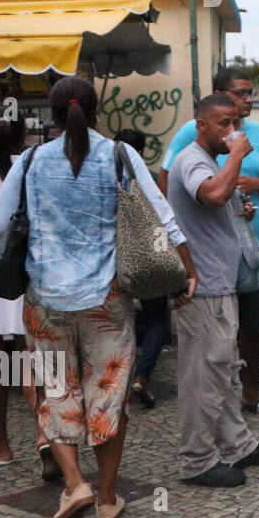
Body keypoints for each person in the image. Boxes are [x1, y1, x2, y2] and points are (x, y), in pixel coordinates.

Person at [0, 77, 197, 518]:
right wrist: (187, 271)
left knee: (55, 392)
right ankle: (105, 499)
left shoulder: (30, 162)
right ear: (96, 110)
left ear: (54, 115)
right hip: (107, 300)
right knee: (108, 396)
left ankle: (74, 483)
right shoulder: (119, 155)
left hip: (45, 302)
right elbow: (162, 215)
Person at [166, 93, 259, 487]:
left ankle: (238, 445)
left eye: (235, 124)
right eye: (223, 124)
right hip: (203, 286)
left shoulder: (209, 161)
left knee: (224, 370)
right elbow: (212, 194)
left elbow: (219, 203)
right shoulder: (191, 160)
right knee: (203, 375)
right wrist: (236, 154)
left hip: (220, 281)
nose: (232, 132)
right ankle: (197, 460)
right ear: (201, 126)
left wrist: (241, 208)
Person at [0, 106, 58, 480]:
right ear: (23, 135)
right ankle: (44, 436)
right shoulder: (36, 169)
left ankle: (0, 447)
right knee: (34, 366)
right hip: (26, 279)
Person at [113, 129, 168, 408]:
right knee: (157, 317)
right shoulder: (150, 178)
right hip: (145, 256)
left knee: (117, 321)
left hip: (111, 261)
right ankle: (141, 378)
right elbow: (164, 215)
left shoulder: (102, 173)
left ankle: (116, 383)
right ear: (142, 151)